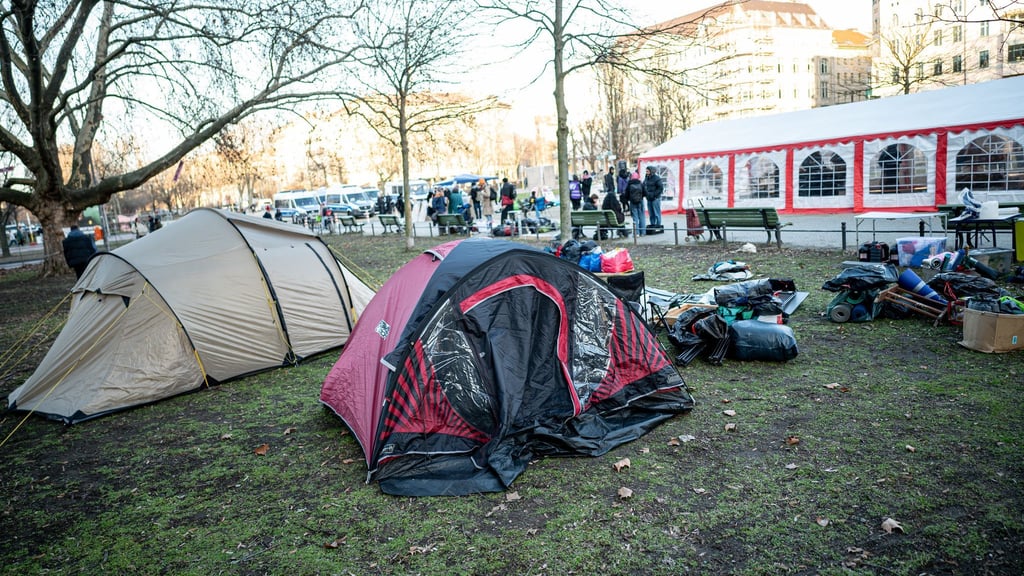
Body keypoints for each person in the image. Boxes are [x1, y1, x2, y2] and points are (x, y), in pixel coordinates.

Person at [644, 166, 664, 233]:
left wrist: (654, 194)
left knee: (656, 213)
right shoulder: (646, 178)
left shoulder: (657, 178)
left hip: (655, 198)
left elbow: (660, 188)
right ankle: (652, 224)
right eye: (646, 171)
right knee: (651, 213)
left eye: (647, 171)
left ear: (651, 171)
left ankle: (658, 225)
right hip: (649, 198)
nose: (646, 172)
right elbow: (644, 185)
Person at [626, 171, 646, 237]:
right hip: (640, 202)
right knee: (642, 217)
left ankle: (636, 233)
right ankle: (643, 232)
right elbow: (645, 193)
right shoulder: (640, 183)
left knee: (635, 217)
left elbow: (626, 194)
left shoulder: (629, 184)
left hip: (632, 202)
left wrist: (629, 199)